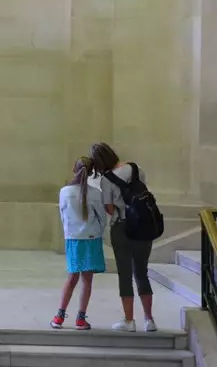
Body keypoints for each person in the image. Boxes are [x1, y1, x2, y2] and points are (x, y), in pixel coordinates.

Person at [90, 141, 157, 332]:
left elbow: (110, 208)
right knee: (142, 272)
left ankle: (129, 320)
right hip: (144, 226)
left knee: (125, 275)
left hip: (122, 228)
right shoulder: (136, 169)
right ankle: (149, 319)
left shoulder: (106, 179)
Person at [51, 157, 106, 330]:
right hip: (91, 238)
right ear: (91, 172)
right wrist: (96, 231)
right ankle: (81, 319)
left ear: (74, 169)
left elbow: (63, 215)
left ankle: (59, 316)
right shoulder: (96, 193)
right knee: (87, 280)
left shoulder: (64, 191)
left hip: (73, 238)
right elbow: (102, 219)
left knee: (72, 277)